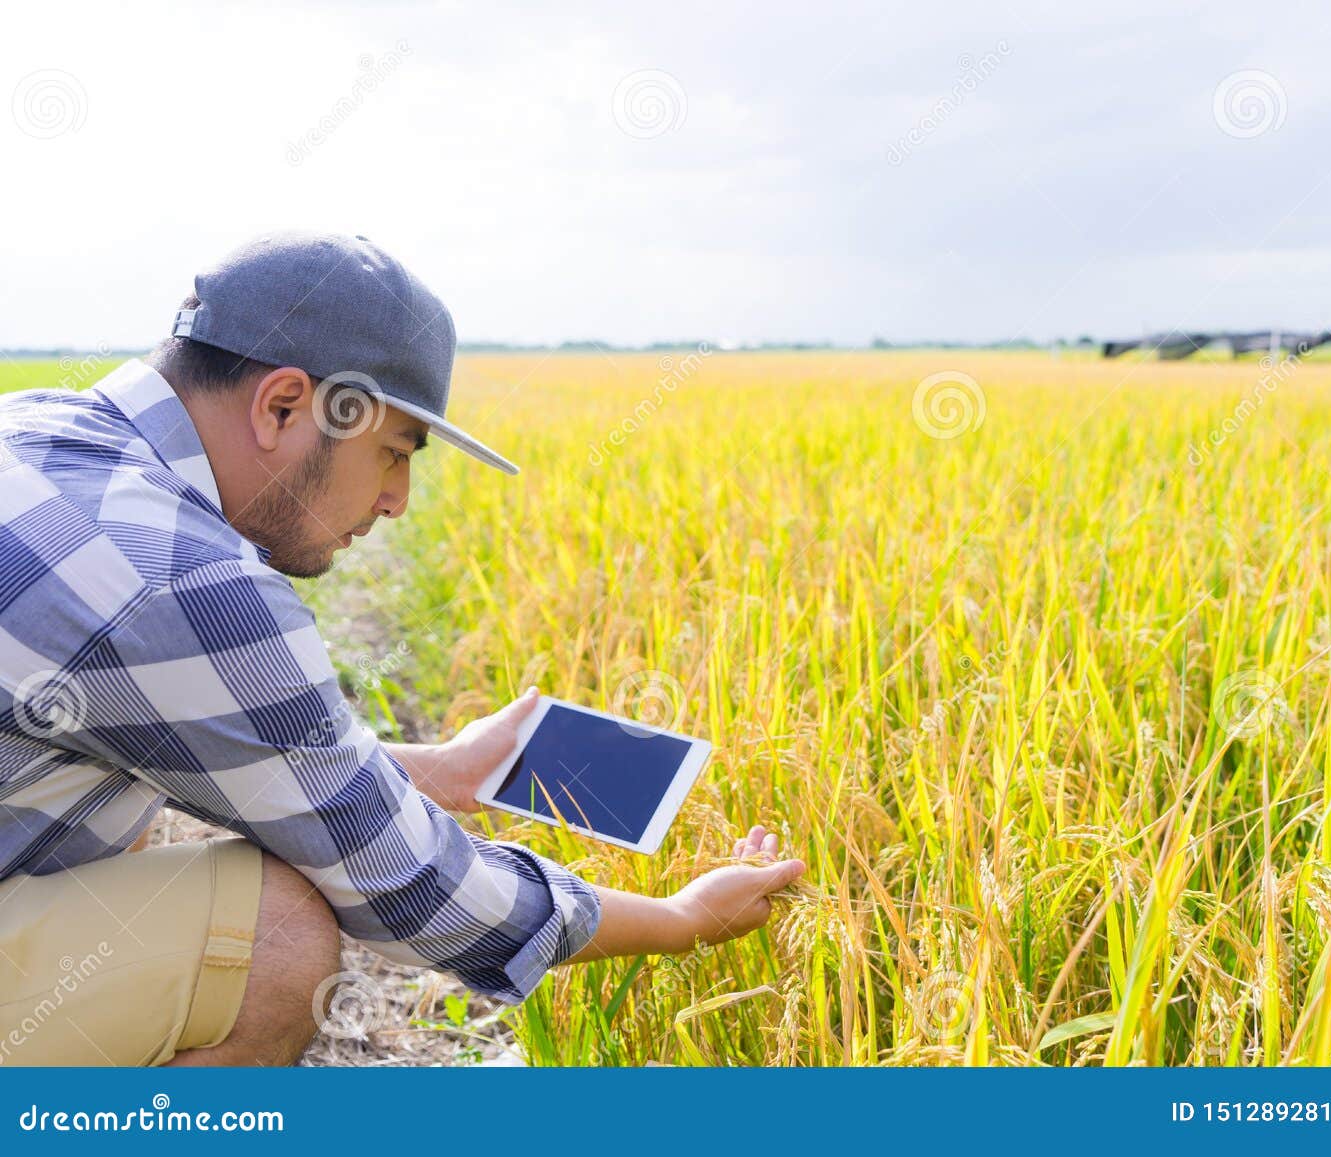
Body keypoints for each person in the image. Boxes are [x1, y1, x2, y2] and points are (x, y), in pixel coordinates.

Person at [0, 231, 804, 1066]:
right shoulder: (182, 581)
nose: (398, 501)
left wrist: (441, 770)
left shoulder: (35, 426)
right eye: (393, 453)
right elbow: (419, 893)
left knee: (121, 816)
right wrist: (681, 918)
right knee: (273, 932)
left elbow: (215, 733)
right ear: (282, 406)